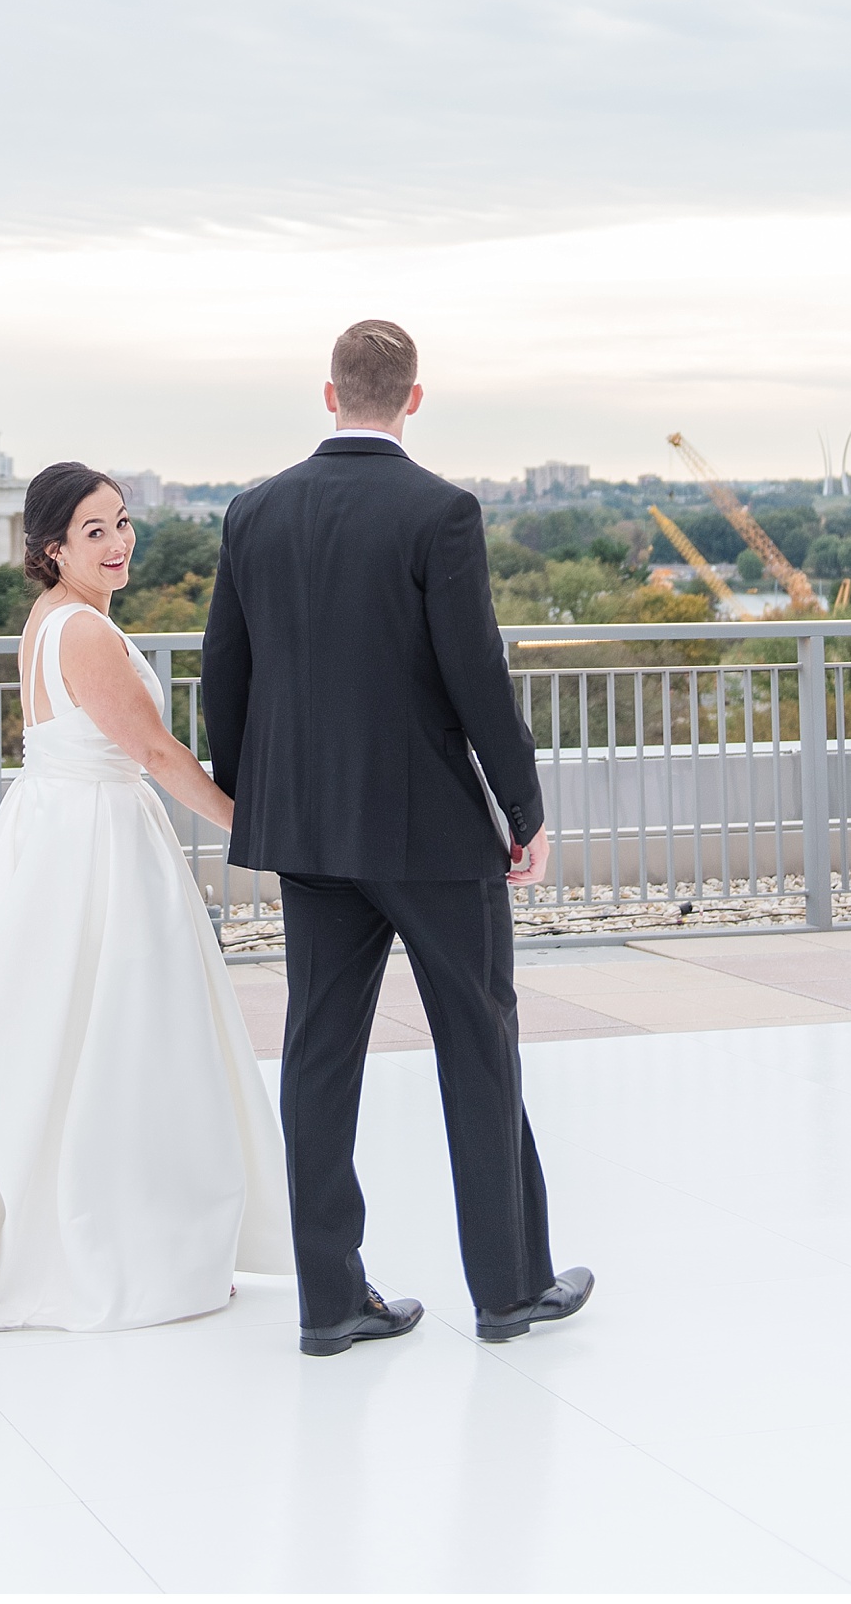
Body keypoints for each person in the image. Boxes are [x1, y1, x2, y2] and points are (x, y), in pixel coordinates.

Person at [0, 462, 292, 1333]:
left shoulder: (44, 621)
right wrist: (252, 831)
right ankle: (124, 1248)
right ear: (51, 548)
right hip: (99, 845)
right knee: (124, 1040)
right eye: (94, 532)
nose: (118, 545)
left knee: (64, 1039)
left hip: (61, 831)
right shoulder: (84, 633)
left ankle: (89, 1233)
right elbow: (152, 752)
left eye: (121, 523)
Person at [202, 319, 594, 1356]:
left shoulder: (253, 512)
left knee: (318, 1054)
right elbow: (478, 677)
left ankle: (330, 1300)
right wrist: (525, 809)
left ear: (327, 393)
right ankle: (509, 1287)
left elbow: (223, 679)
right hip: (428, 832)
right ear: (414, 398)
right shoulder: (441, 511)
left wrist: (262, 797)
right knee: (479, 1043)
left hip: (309, 833)